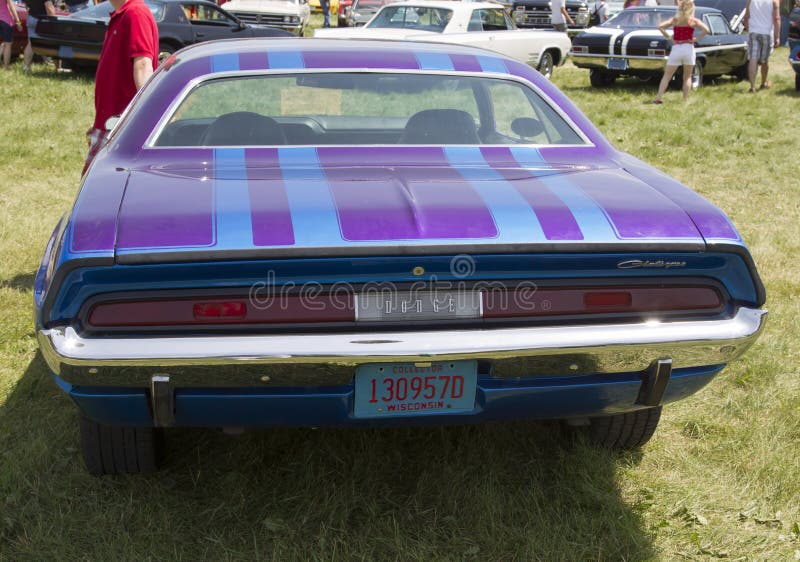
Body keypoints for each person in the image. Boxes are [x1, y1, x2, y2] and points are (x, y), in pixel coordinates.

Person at [86, 0, 158, 168]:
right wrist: (99, 124)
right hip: (112, 125)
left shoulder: (135, 13)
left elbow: (143, 65)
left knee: (98, 190)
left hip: (123, 131)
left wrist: (149, 116)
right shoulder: (123, 15)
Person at [652, 0, 709, 103]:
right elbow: (706, 30)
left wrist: (670, 38)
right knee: (687, 76)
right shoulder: (693, 21)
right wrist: (696, 39)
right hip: (688, 48)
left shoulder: (675, 20)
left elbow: (660, 27)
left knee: (667, 76)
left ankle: (658, 97)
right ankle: (685, 100)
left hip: (677, 47)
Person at [744, 0, 780, 92]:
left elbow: (746, 16)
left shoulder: (750, 0)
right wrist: (777, 36)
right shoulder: (774, 1)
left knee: (753, 58)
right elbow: (776, 18)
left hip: (753, 32)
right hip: (767, 33)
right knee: (765, 60)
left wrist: (749, 29)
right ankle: (763, 83)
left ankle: (752, 86)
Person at [23, 0, 55, 71]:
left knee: (30, 44)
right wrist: (54, 22)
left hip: (31, 17)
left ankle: (26, 66)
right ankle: (56, 66)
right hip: (42, 20)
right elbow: (49, 7)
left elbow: (26, 6)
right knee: (53, 42)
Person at [0, 0, 22, 69]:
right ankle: (6, 66)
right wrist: (18, 22)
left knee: (3, 44)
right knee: (8, 44)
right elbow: (12, 7)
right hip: (6, 20)